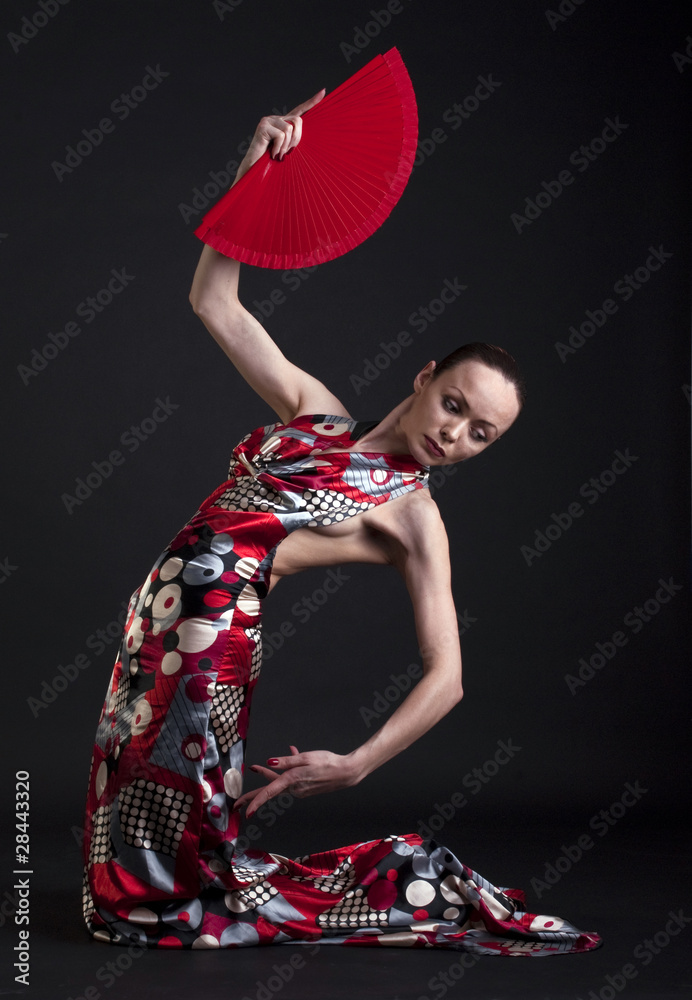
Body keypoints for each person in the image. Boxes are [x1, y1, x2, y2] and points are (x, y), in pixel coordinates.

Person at [81, 92, 601, 955]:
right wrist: (255, 166)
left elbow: (449, 676)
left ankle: (215, 905)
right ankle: (135, 905)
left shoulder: (414, 516)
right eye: (456, 404)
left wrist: (358, 762)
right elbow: (214, 302)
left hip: (211, 642)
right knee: (125, 806)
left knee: (182, 850)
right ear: (428, 375)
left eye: (482, 435)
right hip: (155, 618)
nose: (454, 433)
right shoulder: (317, 413)